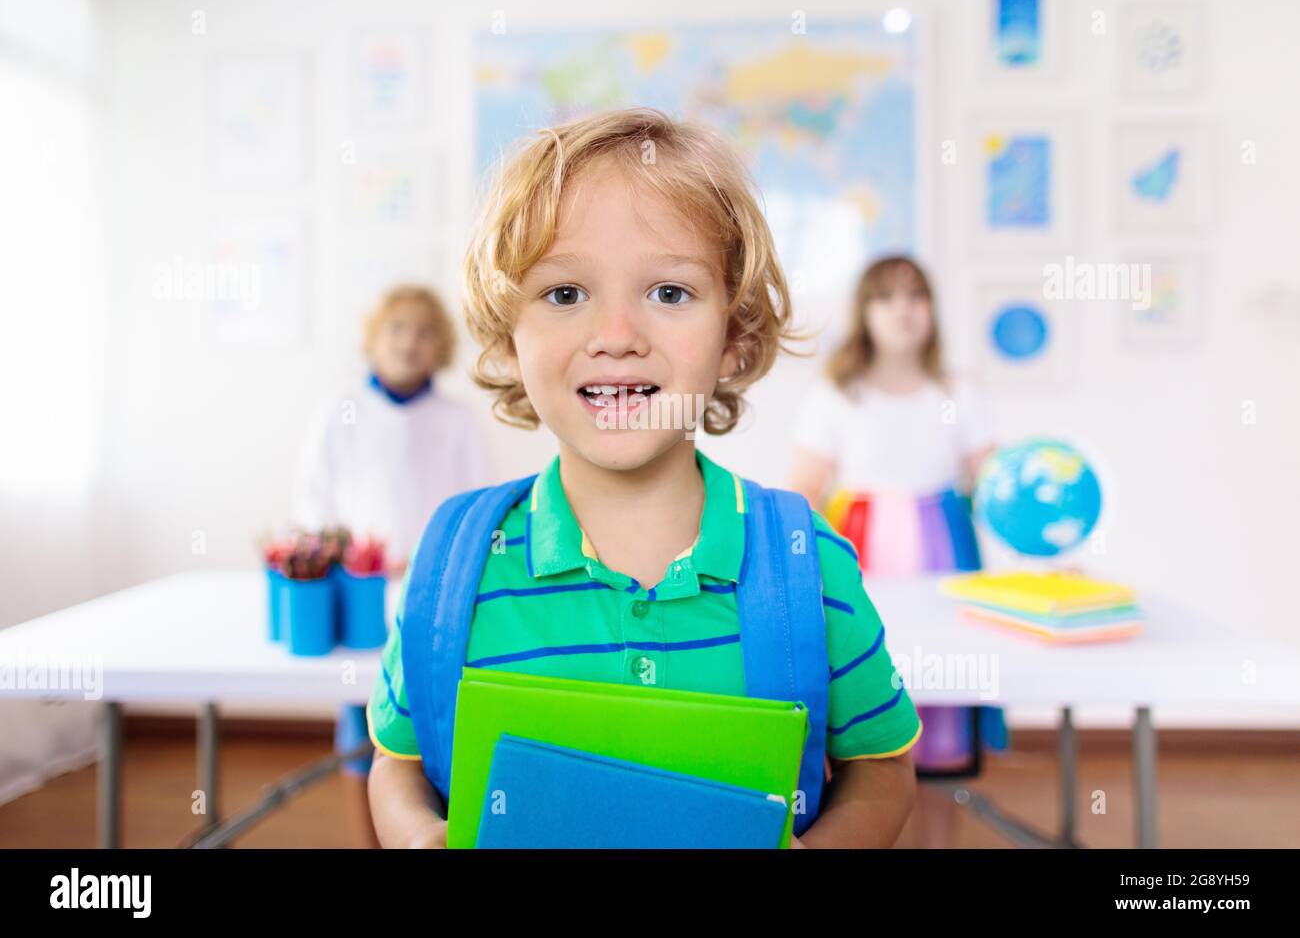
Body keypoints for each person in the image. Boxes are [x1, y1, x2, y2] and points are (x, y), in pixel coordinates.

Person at [365, 108, 922, 848]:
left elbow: (882, 768)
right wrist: (414, 839)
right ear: (508, 339)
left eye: (669, 293)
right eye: (565, 294)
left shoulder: (806, 560)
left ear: (735, 339)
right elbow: (397, 766)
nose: (618, 337)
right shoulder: (453, 565)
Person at [789, 255, 1003, 843]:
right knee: (873, 669)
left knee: (943, 679)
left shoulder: (959, 390)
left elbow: (993, 487)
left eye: (916, 296)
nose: (903, 310)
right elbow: (802, 494)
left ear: (932, 309)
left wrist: (1047, 557)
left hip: (945, 546)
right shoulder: (838, 393)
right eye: (886, 297)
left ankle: (936, 820)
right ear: (865, 312)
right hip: (862, 551)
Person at [294, 283, 491, 848]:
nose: (410, 342)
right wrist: (349, 555)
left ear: (442, 346)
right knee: (362, 719)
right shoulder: (341, 413)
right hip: (360, 592)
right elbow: (314, 502)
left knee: (427, 720)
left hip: (435, 592)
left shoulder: (458, 420)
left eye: (425, 331)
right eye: (397, 329)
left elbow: (481, 506)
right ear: (373, 338)